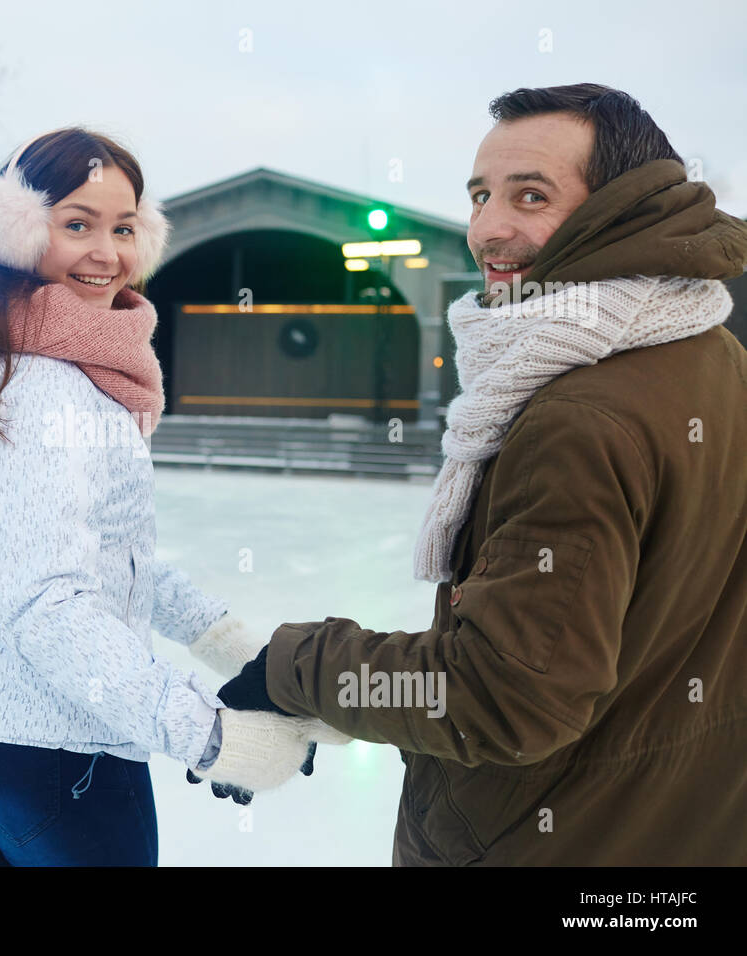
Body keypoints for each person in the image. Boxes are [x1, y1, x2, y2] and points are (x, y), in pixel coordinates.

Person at [211, 83, 747, 865]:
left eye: (532, 196)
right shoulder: (716, 355)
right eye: (479, 196)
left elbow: (504, 698)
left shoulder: (577, 418)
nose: (488, 229)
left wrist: (296, 670)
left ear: (621, 210)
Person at [0, 127, 348, 866]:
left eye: (125, 228)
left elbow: (101, 556)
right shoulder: (49, 386)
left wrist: (241, 651)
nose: (106, 253)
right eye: (77, 225)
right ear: (15, 231)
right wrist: (213, 737)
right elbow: (52, 601)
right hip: (54, 762)